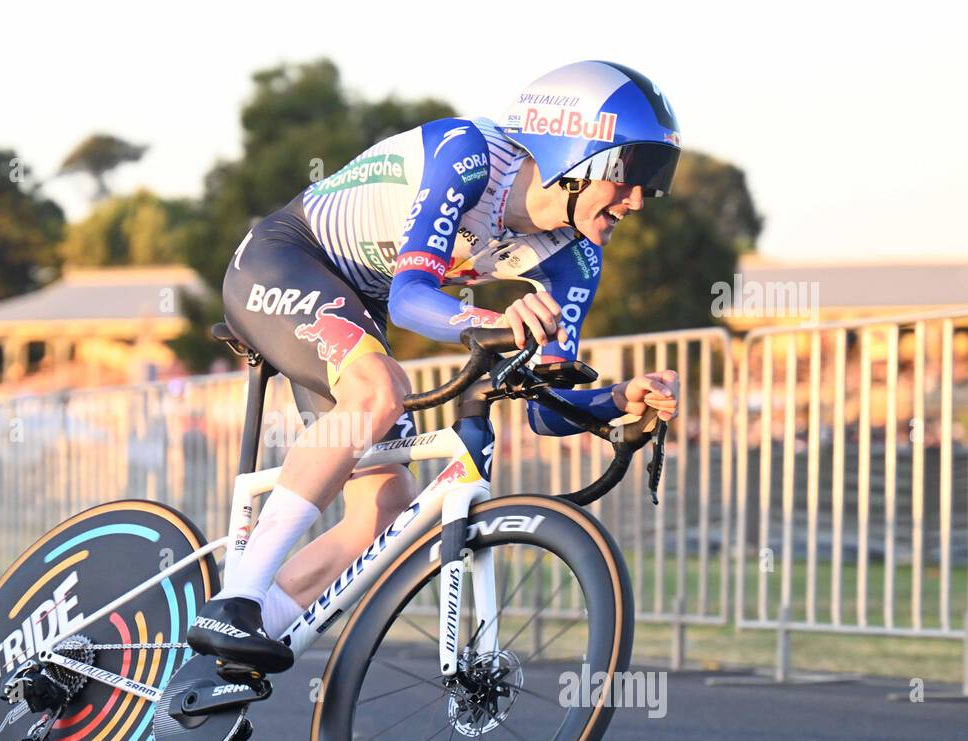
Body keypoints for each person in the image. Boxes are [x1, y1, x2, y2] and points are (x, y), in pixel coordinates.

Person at [188, 60, 683, 675]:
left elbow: (544, 410)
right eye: (630, 173)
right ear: (573, 151)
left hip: (356, 304)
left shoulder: (576, 261)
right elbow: (410, 297)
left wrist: (618, 402)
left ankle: (215, 671)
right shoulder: (470, 155)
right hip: (287, 258)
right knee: (380, 391)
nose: (640, 199)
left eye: (655, 180)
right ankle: (235, 599)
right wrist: (489, 323)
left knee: (384, 514)